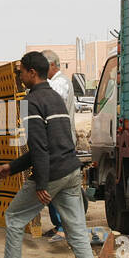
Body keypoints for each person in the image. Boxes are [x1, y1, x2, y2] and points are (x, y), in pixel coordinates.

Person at [0, 51, 95, 258]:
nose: (19, 76)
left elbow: (39, 146)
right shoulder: (55, 98)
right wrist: (13, 167)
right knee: (76, 230)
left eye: (21, 71)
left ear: (32, 73)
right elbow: (52, 143)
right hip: (71, 171)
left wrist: (41, 184)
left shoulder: (30, 101)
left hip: (51, 173)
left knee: (14, 217)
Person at [41, 50, 78, 242]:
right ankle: (59, 226)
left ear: (51, 65)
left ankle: (64, 227)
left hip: (60, 144)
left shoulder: (59, 83)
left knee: (57, 187)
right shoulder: (54, 83)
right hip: (56, 142)